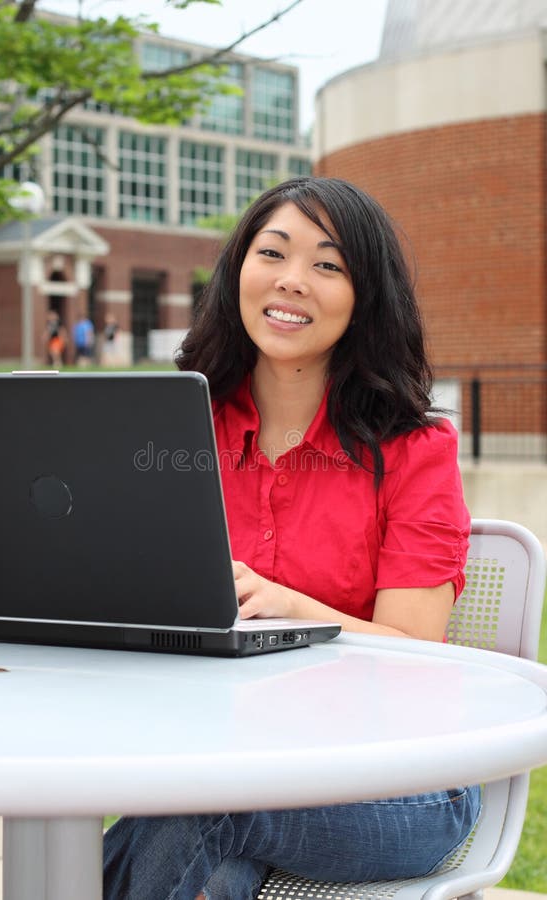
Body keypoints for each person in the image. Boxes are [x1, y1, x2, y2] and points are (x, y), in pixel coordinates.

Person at [103, 177, 481, 899]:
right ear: (238, 271)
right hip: (226, 752)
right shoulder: (180, 427)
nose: (292, 280)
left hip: (400, 777)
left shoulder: (416, 449)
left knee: (208, 803)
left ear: (367, 297)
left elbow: (415, 653)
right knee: (211, 865)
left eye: (327, 264)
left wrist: (287, 605)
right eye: (272, 253)